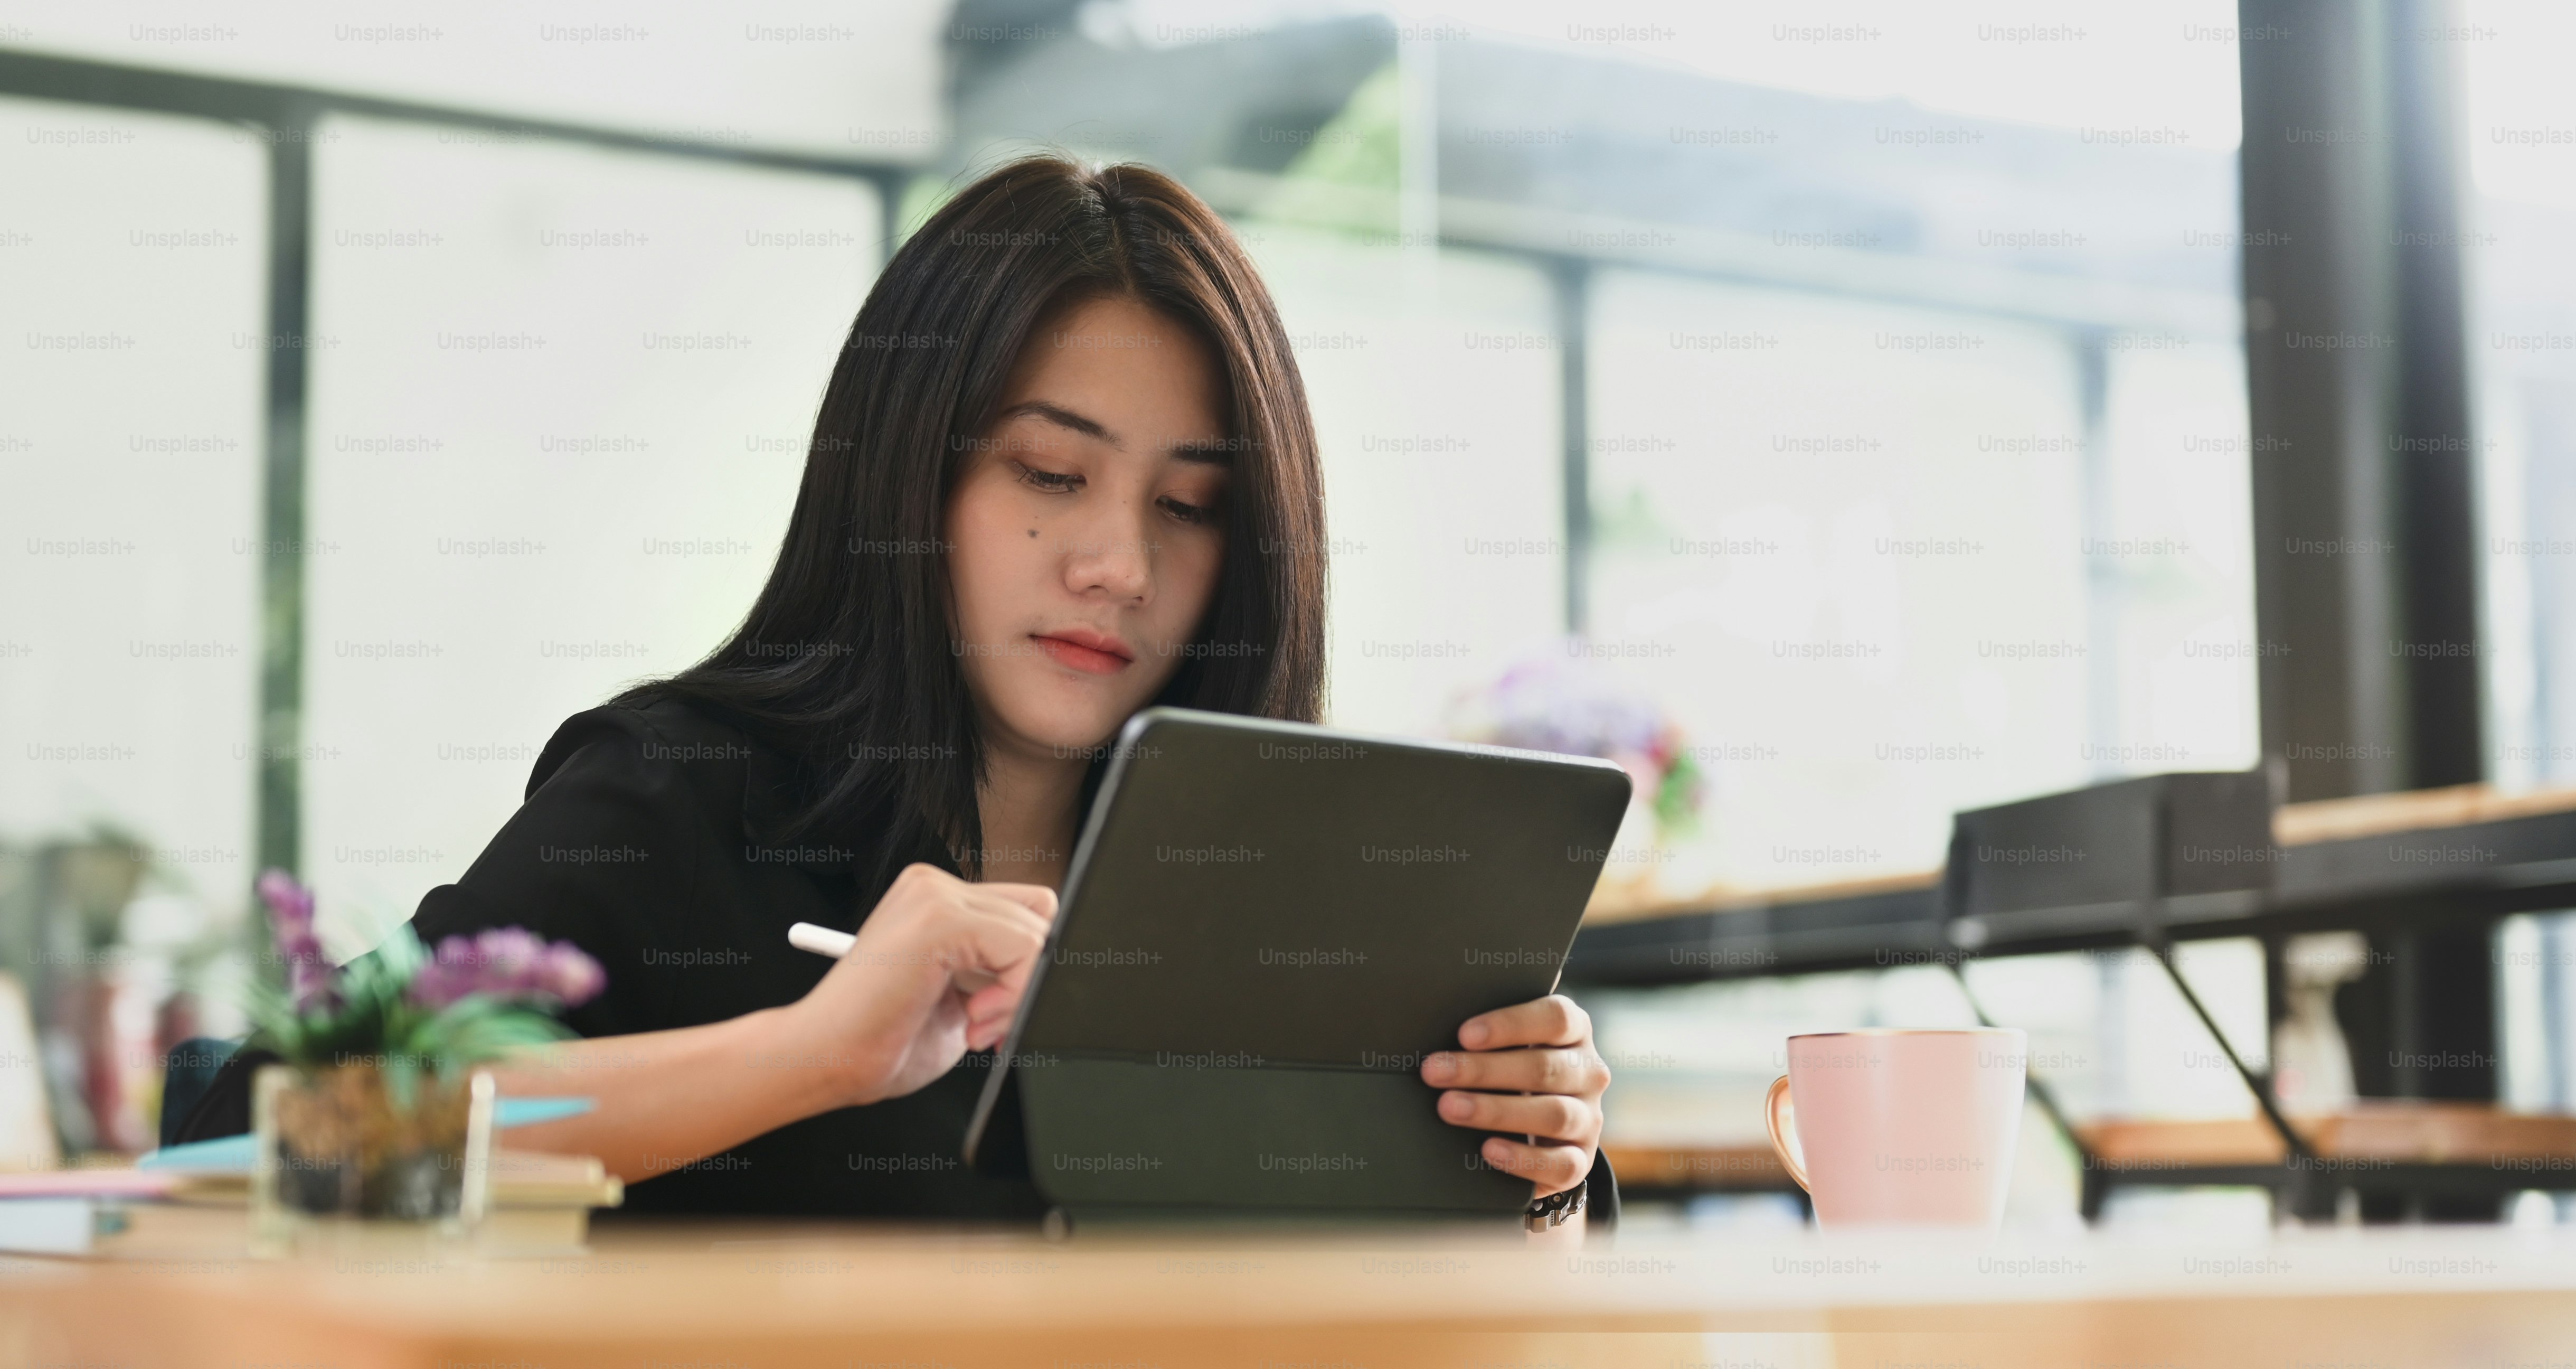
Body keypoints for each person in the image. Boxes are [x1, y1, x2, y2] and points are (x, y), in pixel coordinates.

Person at [177, 154, 1615, 1229]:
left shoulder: (1296, 878)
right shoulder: (679, 802)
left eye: (1188, 509)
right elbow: (258, 1141)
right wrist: (806, 1056)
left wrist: (1536, 1168)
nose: (1116, 563)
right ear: (907, 473)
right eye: (1050, 477)